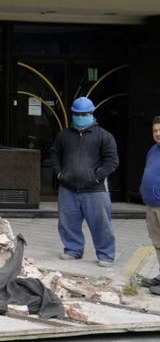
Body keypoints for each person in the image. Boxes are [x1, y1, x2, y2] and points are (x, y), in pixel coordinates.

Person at [50, 96, 119, 267]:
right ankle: (73, 250)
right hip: (67, 188)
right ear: (72, 114)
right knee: (67, 223)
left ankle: (106, 255)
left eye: (85, 114)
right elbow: (54, 155)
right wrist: (59, 174)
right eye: (77, 114)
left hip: (95, 189)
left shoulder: (104, 136)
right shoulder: (63, 136)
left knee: (101, 224)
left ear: (92, 113)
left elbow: (112, 161)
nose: (81, 117)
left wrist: (97, 176)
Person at [140, 116, 160, 293]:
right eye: (155, 130)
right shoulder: (153, 150)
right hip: (152, 205)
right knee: (158, 242)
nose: (158, 133)